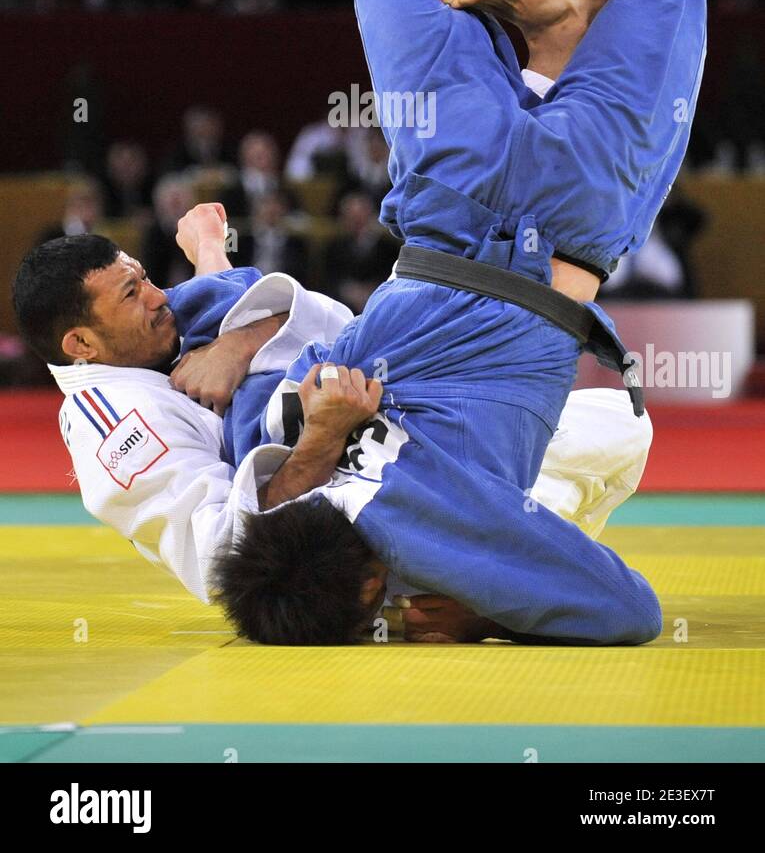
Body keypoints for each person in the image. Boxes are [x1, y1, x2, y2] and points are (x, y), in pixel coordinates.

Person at [211, 0, 712, 646]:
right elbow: (250, 437)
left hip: (570, 224)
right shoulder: (273, 480)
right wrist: (317, 437)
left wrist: (472, 609)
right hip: (447, 197)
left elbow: (627, 610)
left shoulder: (414, 534)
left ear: (362, 597)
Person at [11, 205, 651, 638]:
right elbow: (230, 562)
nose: (157, 296)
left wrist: (228, 322)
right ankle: (450, 598)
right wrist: (323, 433)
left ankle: (494, 576)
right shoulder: (121, 436)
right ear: (81, 345)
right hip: (353, 509)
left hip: (374, 412)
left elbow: (232, 305)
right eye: (133, 295)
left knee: (621, 424)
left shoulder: (146, 328)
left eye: (146, 278)